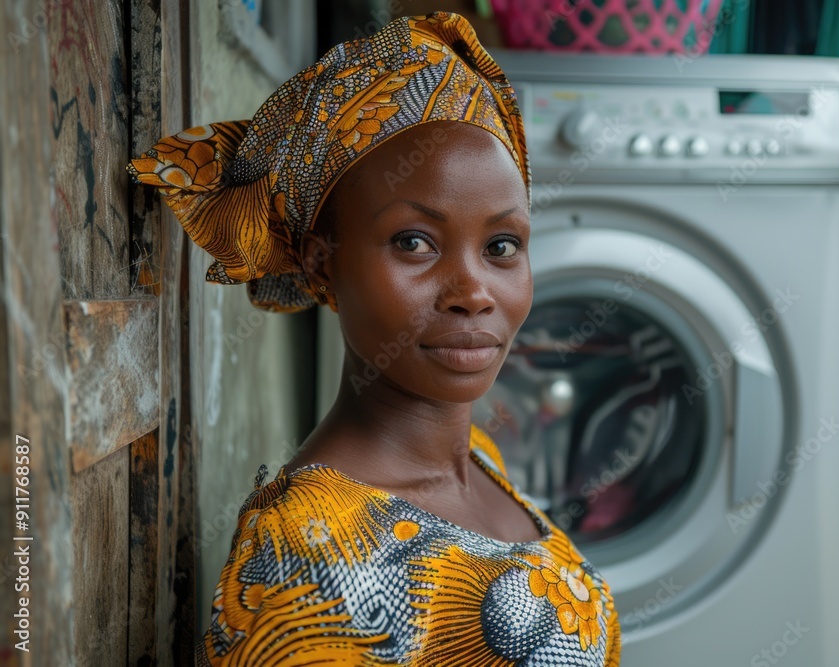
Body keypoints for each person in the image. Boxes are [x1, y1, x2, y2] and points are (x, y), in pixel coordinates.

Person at [128, 12, 620, 666]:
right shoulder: (308, 560)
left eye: (502, 245)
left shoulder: (475, 459)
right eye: (414, 242)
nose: (473, 291)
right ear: (320, 261)